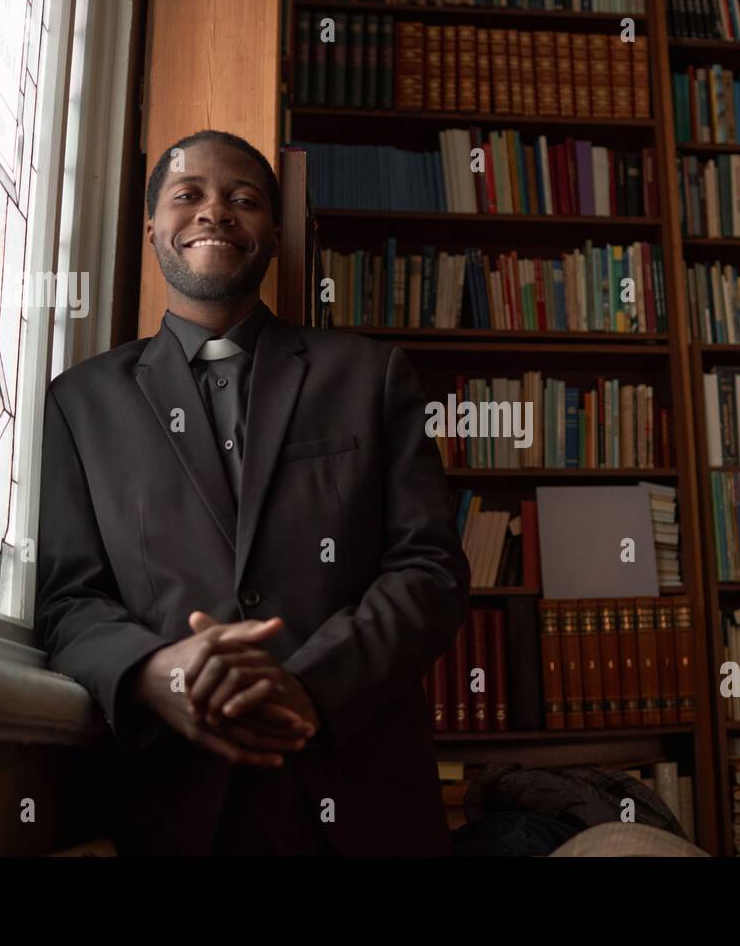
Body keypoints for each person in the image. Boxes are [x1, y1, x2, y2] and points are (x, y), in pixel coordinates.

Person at [35, 130, 469, 855]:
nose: (215, 213)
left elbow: (430, 568)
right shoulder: (80, 402)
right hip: (168, 802)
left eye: (244, 200)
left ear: (273, 235)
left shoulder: (370, 376)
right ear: (153, 230)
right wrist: (155, 672)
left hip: (359, 796)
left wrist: (310, 686)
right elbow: (67, 600)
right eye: (188, 196)